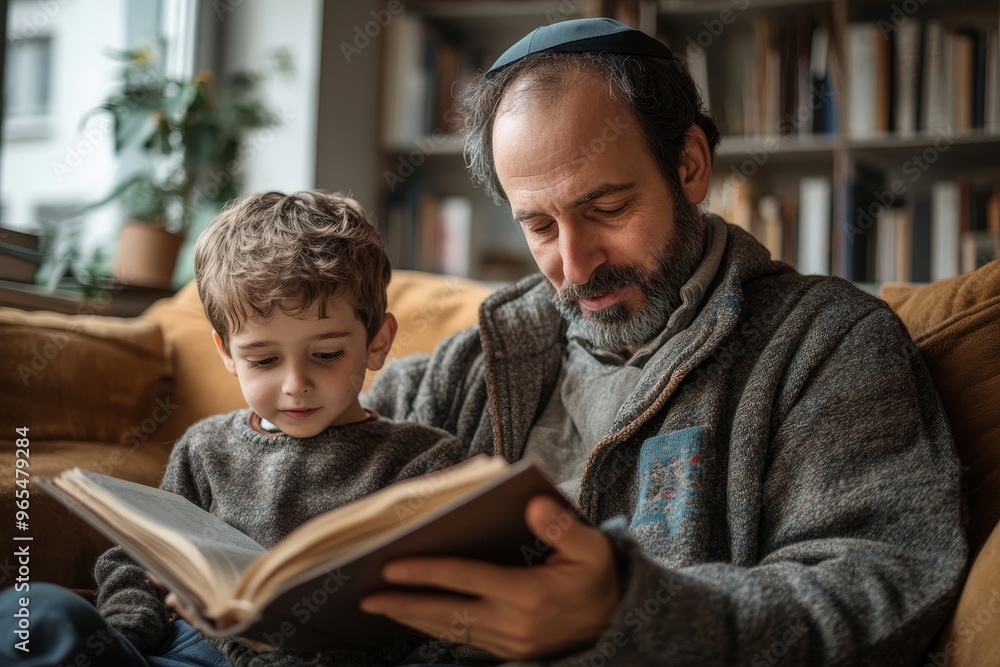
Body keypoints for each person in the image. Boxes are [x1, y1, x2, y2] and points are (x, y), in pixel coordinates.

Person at [356, 17, 967, 666]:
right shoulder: (466, 367)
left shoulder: (828, 343)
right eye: (538, 225)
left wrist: (630, 614)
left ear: (690, 165)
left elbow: (882, 581)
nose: (576, 262)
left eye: (608, 208)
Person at [0, 191, 477, 667]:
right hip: (189, 651)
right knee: (37, 612)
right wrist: (128, 634)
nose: (295, 385)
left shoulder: (423, 461)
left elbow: (451, 615)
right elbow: (138, 560)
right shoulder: (205, 447)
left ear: (378, 343)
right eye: (264, 360)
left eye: (327, 354)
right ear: (227, 353)